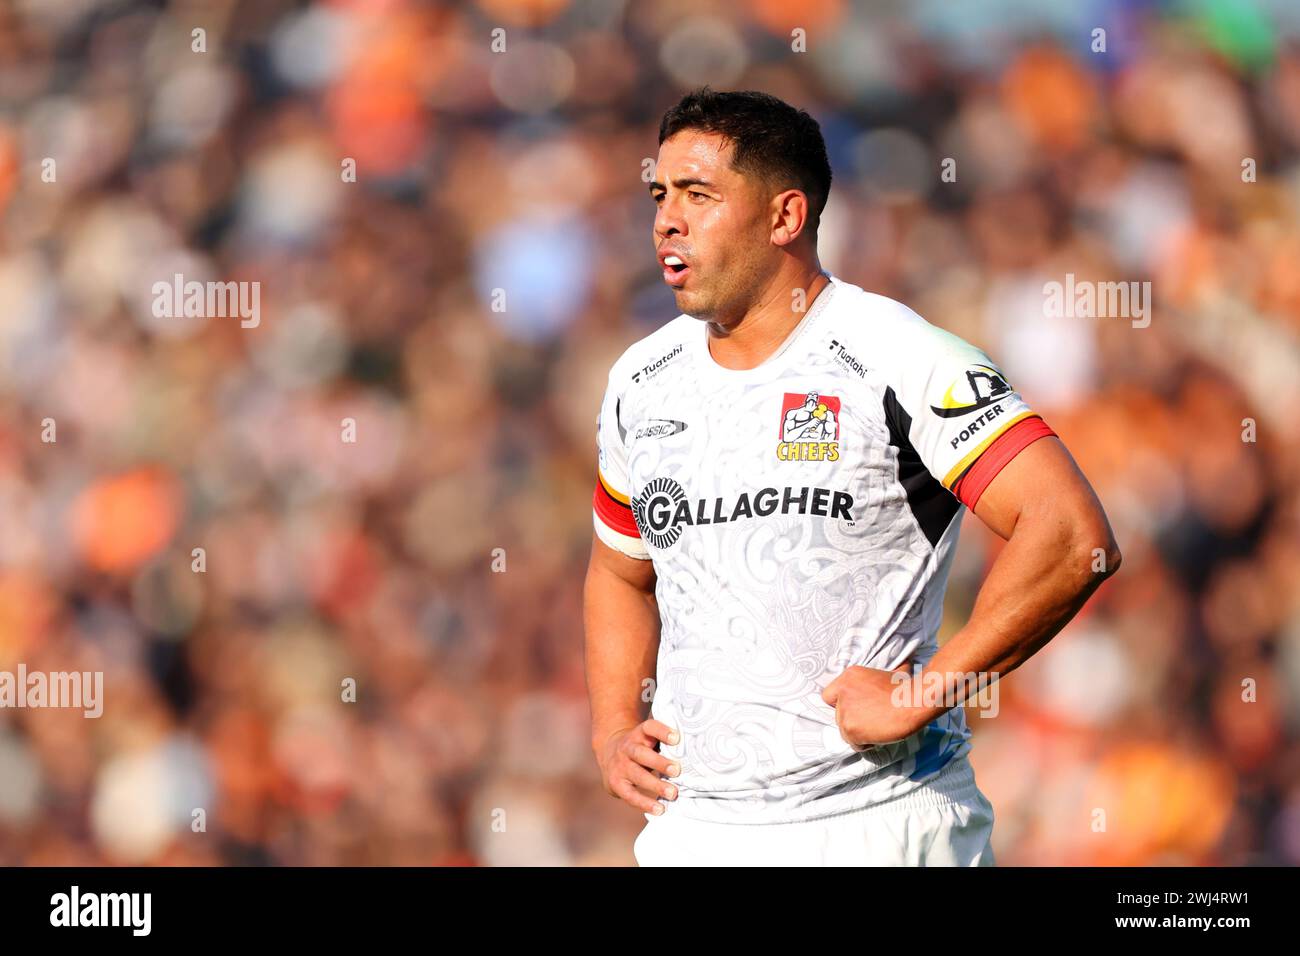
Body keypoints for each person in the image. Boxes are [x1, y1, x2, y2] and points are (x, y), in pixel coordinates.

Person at [583, 87, 1122, 866]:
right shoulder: (641, 380)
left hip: (878, 824)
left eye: (698, 194)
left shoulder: (899, 355)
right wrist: (611, 729)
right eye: (660, 194)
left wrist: (924, 694)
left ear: (785, 217)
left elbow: (1071, 535)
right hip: (693, 833)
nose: (667, 218)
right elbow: (619, 571)